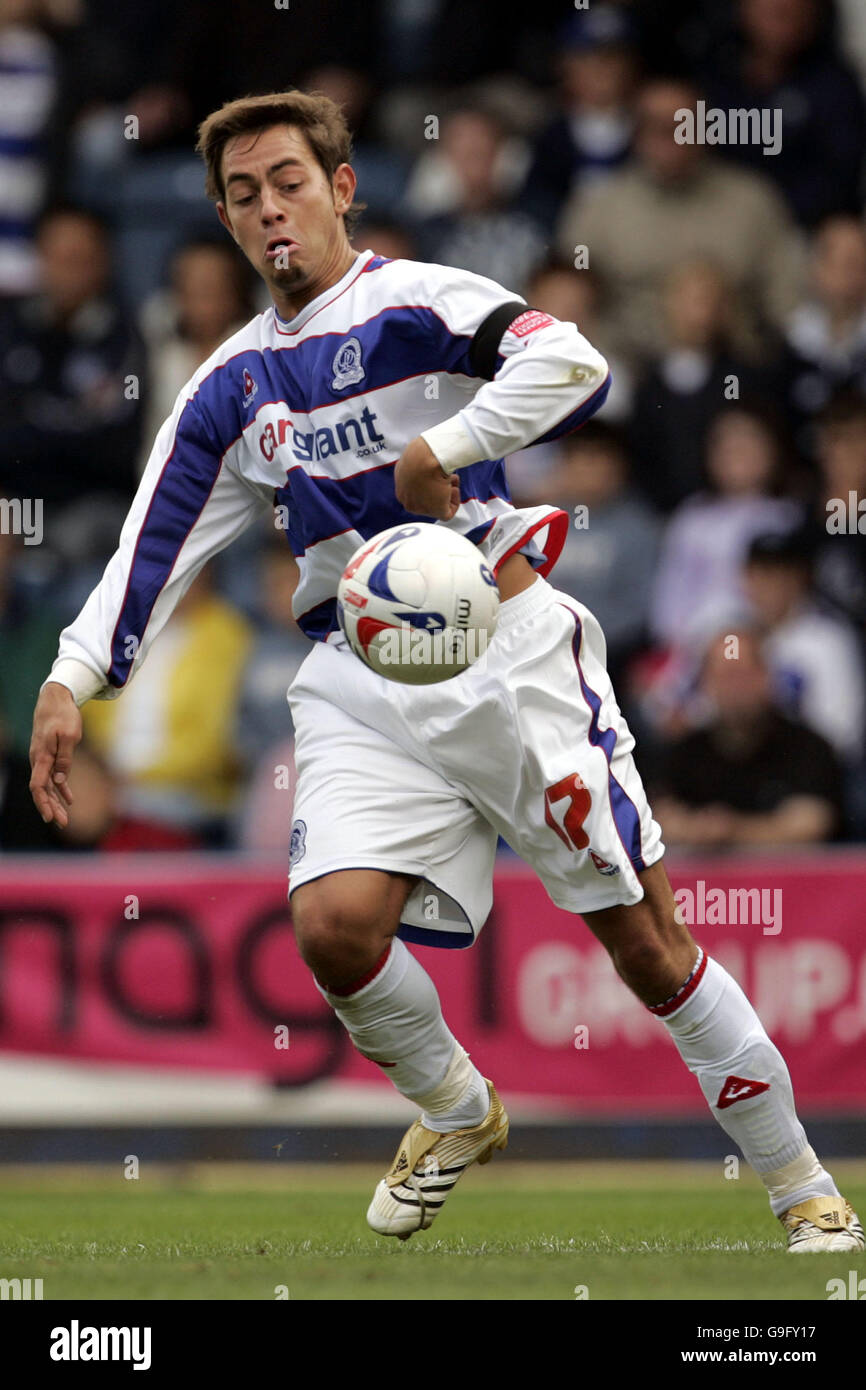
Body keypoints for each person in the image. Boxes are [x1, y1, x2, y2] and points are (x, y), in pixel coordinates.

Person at [29, 90, 862, 1253]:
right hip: (363, 682)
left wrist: (449, 447)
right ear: (221, 217)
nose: (270, 209)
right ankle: (456, 1108)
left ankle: (801, 1187)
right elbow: (152, 543)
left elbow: (572, 362)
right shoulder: (228, 390)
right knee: (329, 927)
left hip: (508, 655)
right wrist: (73, 676)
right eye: (242, 193)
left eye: (288, 181)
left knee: (644, 944)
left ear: (342, 189)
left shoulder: (416, 302)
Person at [652, 627, 844, 849]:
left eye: (743, 674)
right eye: (724, 676)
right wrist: (699, 829)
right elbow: (659, 818)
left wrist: (732, 831)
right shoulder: (684, 753)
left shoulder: (808, 747)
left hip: (791, 880)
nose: (735, 688)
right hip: (705, 884)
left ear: (767, 677)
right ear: (705, 684)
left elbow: (813, 823)